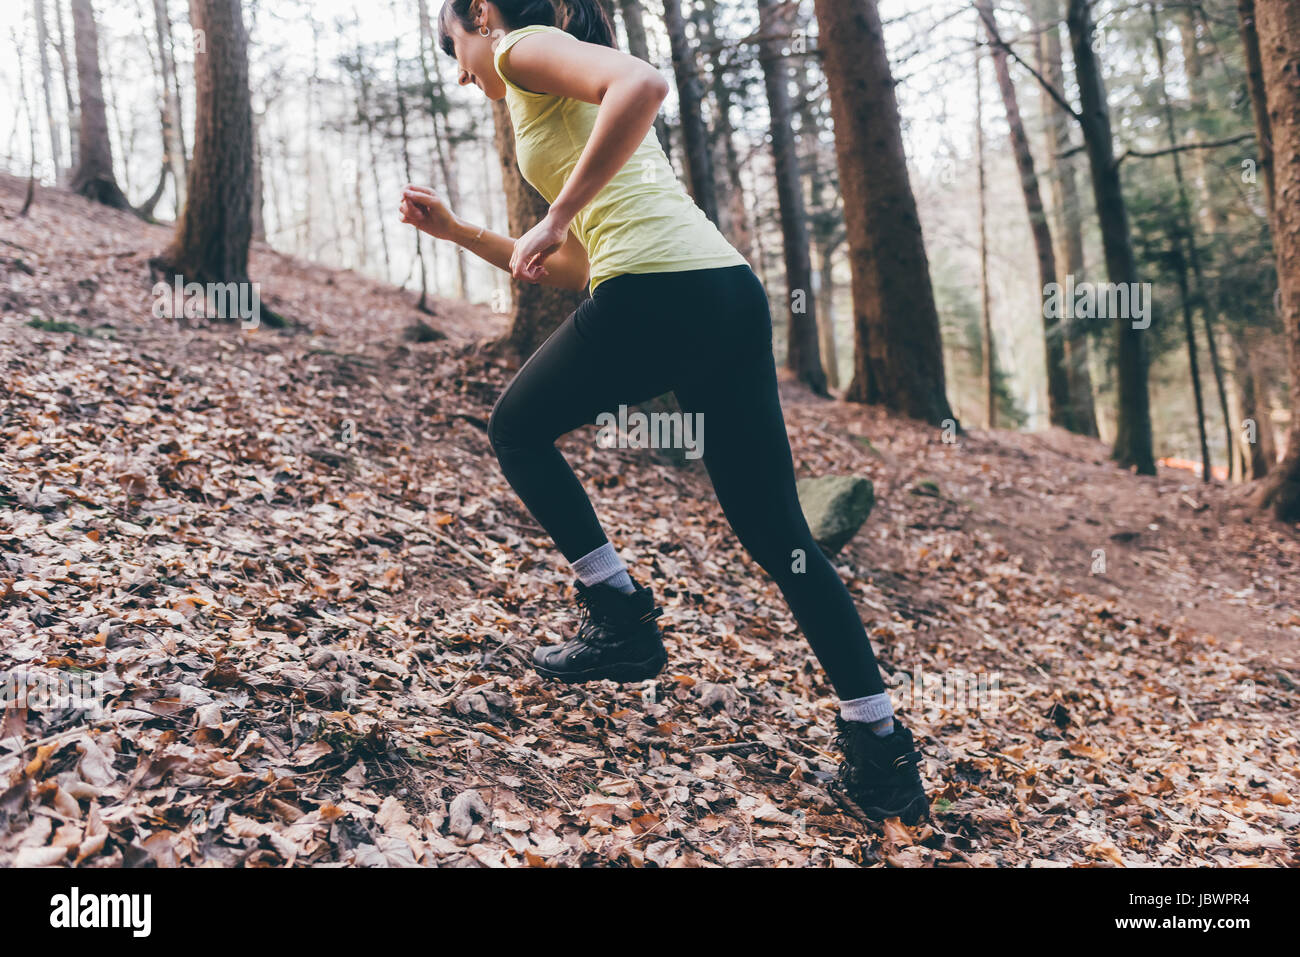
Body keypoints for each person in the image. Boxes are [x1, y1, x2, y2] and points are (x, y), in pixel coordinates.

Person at [397, 0, 928, 825]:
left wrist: (559, 208)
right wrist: (465, 232)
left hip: (656, 290)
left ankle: (619, 616)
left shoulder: (521, 47)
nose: (461, 72)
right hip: (723, 293)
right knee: (781, 538)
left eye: (453, 47)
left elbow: (644, 83)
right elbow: (573, 269)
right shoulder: (560, 82)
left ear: (481, 14)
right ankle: (883, 754)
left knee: (515, 429)